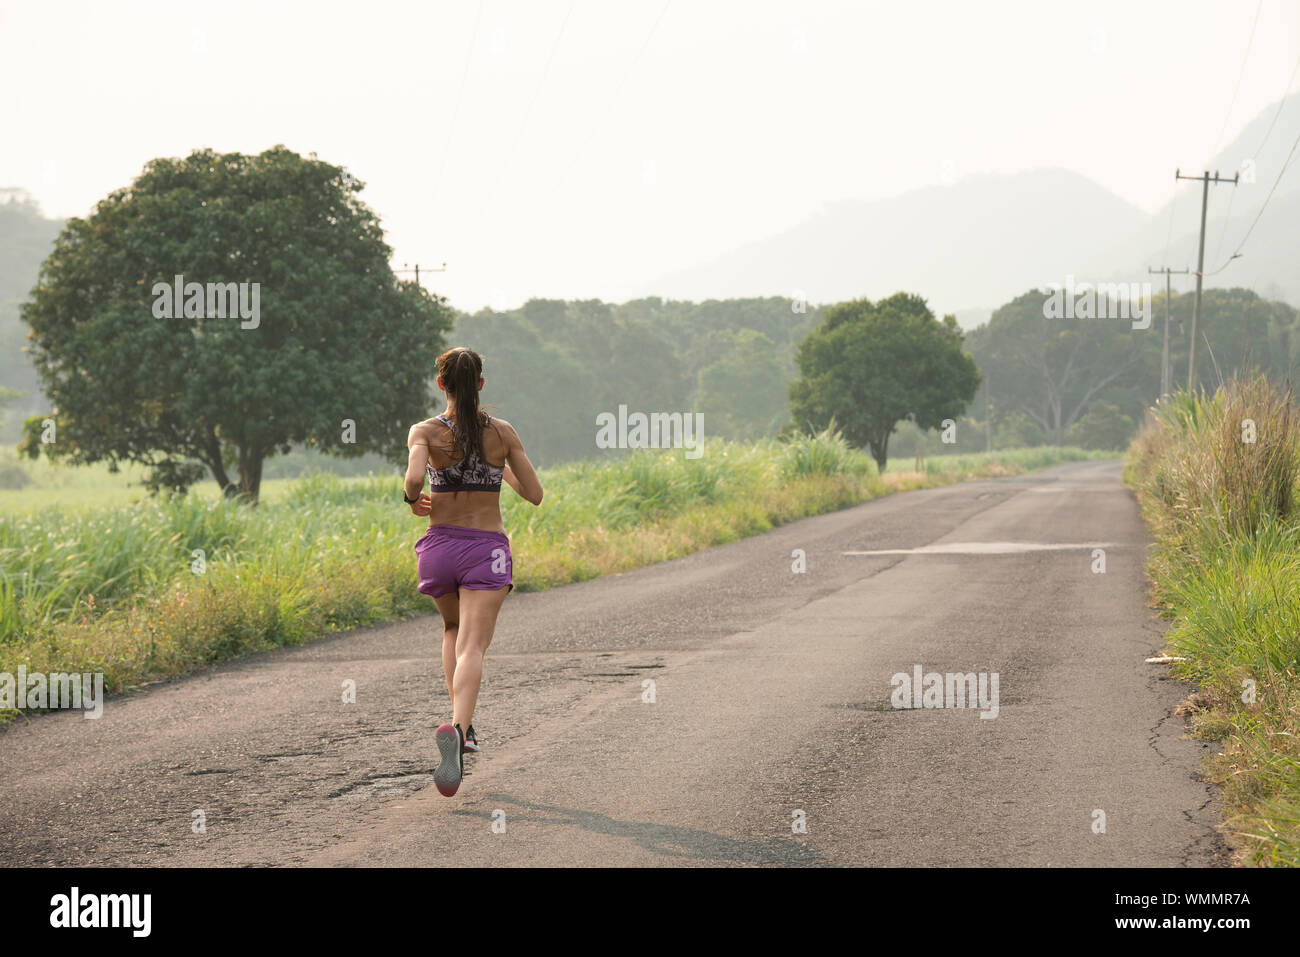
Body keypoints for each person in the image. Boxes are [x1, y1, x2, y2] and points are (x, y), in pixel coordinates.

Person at [403, 346, 544, 796]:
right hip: (486, 549)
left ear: (440, 384)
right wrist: (497, 467)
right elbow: (534, 493)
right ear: (481, 384)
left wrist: (412, 501)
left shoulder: (424, 431)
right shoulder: (502, 432)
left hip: (439, 546)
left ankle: (463, 725)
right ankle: (460, 730)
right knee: (474, 647)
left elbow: (412, 483)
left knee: (451, 630)